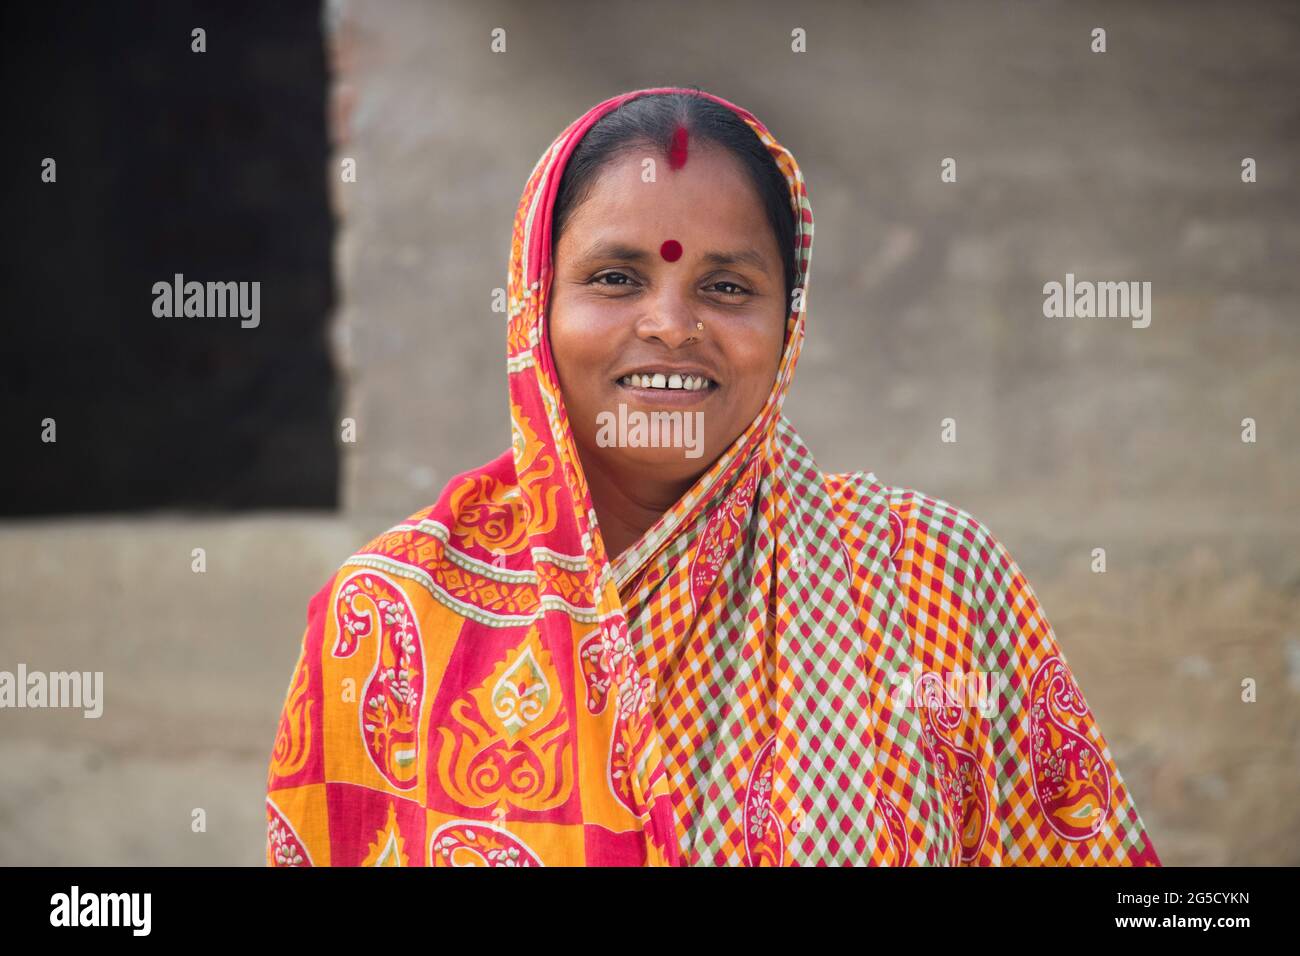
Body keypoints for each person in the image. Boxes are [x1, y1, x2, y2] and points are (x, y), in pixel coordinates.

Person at [265, 86, 1161, 866]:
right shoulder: (392, 620)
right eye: (615, 278)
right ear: (536, 304)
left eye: (728, 288)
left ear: (787, 322)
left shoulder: (934, 577)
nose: (672, 324)